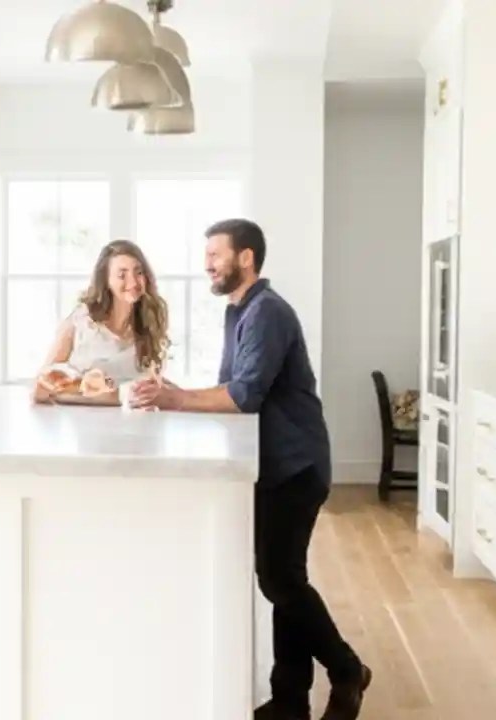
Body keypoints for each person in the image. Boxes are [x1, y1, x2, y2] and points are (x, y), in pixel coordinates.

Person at [129, 219, 370, 720]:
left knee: (280, 580)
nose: (207, 265)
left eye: (216, 255)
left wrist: (175, 400)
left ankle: (347, 670)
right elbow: (229, 384)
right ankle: (290, 699)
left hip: (295, 464)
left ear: (246, 258)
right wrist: (176, 394)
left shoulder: (266, 313)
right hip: (276, 464)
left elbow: (243, 396)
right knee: (283, 577)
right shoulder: (240, 311)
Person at [31, 239, 170, 403]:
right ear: (106, 280)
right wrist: (113, 395)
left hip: (136, 423)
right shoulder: (80, 321)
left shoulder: (151, 319)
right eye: (121, 275)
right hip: (85, 423)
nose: (132, 282)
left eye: (138, 272)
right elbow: (41, 388)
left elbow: (152, 386)